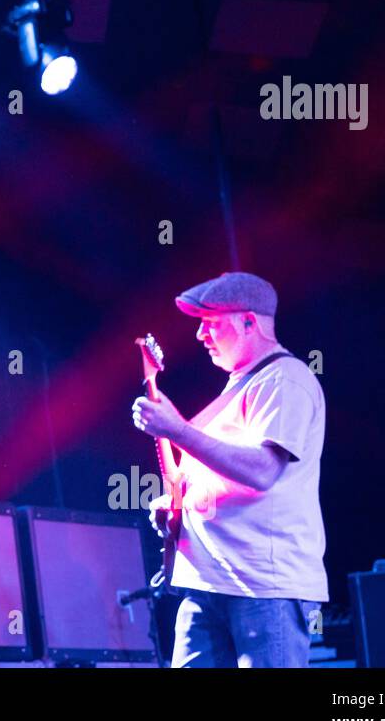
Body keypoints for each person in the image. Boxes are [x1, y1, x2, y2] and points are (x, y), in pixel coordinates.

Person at [131, 272, 327, 668]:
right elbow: (227, 471)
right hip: (207, 582)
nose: (201, 335)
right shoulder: (240, 386)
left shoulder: (285, 379)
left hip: (261, 587)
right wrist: (179, 506)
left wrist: (178, 430)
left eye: (211, 323)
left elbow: (262, 471)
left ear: (249, 322)